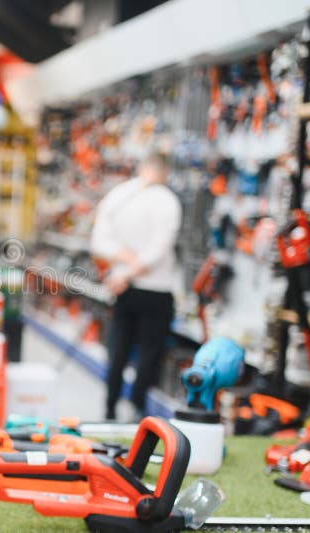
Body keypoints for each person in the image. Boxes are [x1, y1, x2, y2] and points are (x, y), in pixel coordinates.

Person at [91, 152, 181, 421]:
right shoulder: (168, 201)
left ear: (142, 166)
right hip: (155, 289)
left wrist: (123, 268)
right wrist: (132, 269)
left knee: (118, 349)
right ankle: (137, 410)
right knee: (148, 352)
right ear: (165, 172)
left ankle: (109, 407)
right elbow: (159, 250)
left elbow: (99, 242)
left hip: (123, 288)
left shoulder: (119, 195)